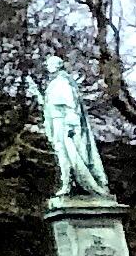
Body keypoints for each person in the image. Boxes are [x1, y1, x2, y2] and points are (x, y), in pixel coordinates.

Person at [41, 65, 114, 200]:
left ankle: (72, 183)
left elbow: (71, 107)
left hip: (64, 124)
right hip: (58, 123)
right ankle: (67, 183)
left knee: (70, 154)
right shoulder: (54, 85)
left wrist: (70, 125)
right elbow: (49, 109)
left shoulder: (62, 83)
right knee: (62, 154)